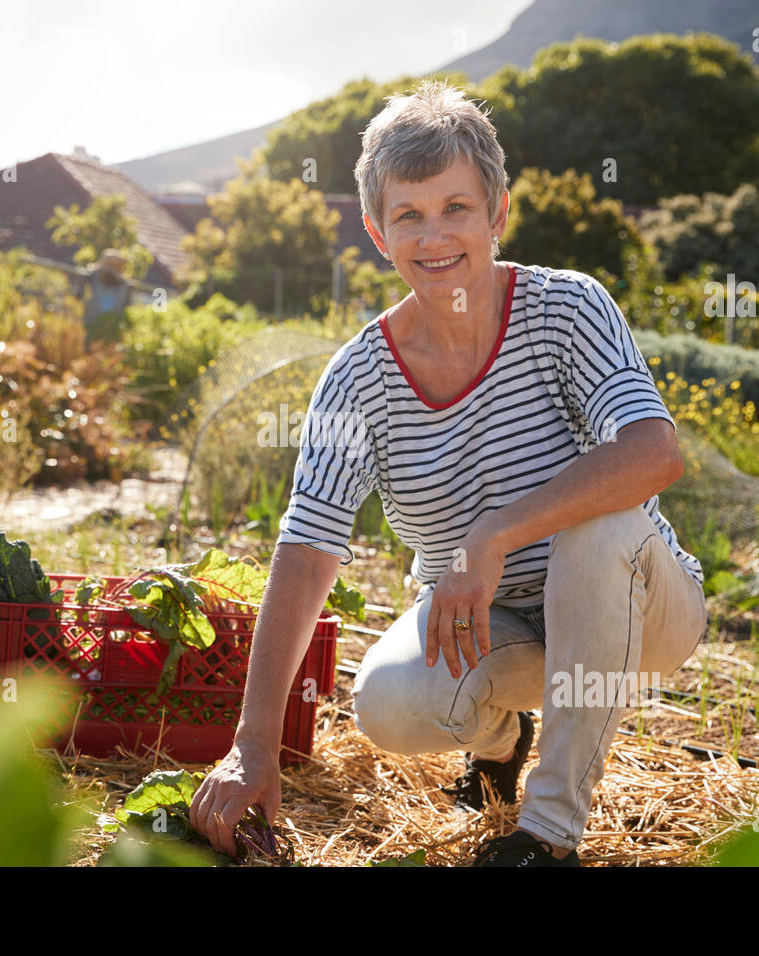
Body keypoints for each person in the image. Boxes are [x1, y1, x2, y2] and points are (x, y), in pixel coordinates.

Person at [189, 78, 706, 867]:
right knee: (388, 702)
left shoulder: (570, 310)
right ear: (376, 230)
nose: (435, 237)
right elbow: (307, 548)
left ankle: (548, 834)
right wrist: (251, 743)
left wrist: (497, 532)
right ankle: (503, 737)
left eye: (457, 208)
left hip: (640, 613)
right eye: (410, 215)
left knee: (597, 527)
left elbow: (653, 452)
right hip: (495, 628)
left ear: (497, 213)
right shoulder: (357, 379)